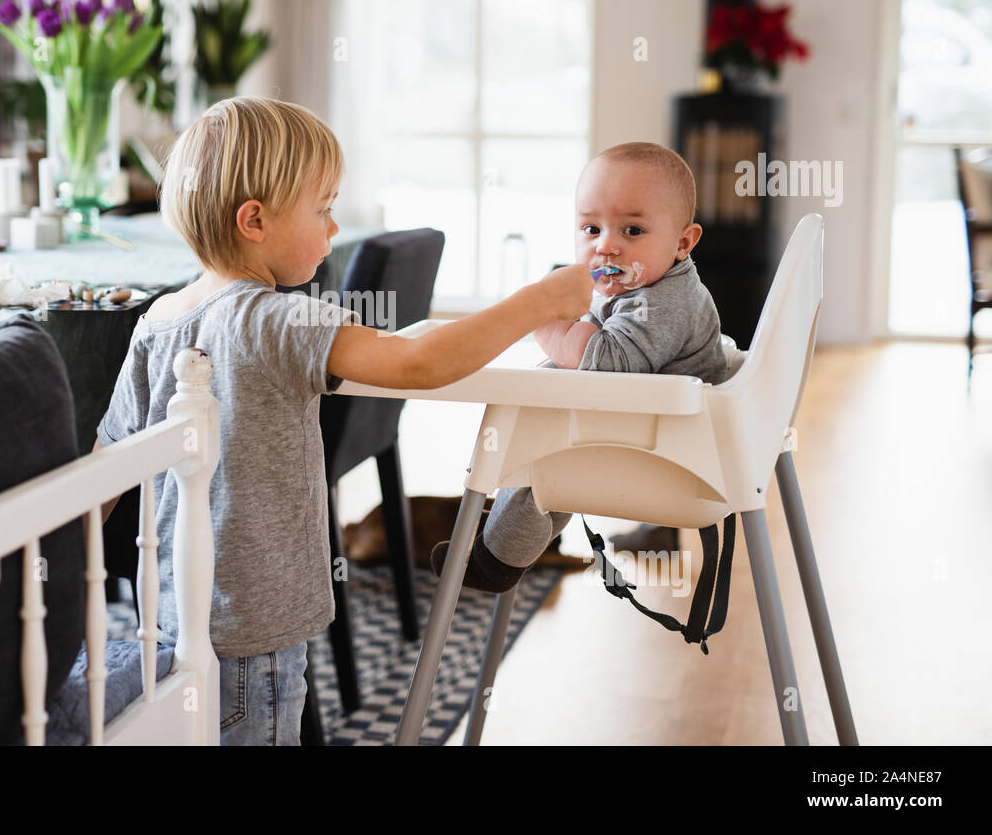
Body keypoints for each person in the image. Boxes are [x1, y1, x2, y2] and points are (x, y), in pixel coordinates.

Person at [92, 96, 593, 744]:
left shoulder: (156, 321)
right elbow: (418, 362)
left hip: (166, 623)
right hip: (258, 637)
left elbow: (106, 462)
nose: (333, 229)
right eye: (323, 208)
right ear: (255, 220)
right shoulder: (274, 319)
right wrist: (537, 301)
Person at [431, 141, 734, 593]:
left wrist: (541, 317)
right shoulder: (643, 287)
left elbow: (605, 361)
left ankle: (497, 559)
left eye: (632, 231)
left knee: (539, 451)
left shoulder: (666, 301)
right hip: (647, 436)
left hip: (667, 458)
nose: (606, 246)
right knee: (538, 436)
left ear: (683, 242)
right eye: (591, 229)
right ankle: (506, 530)